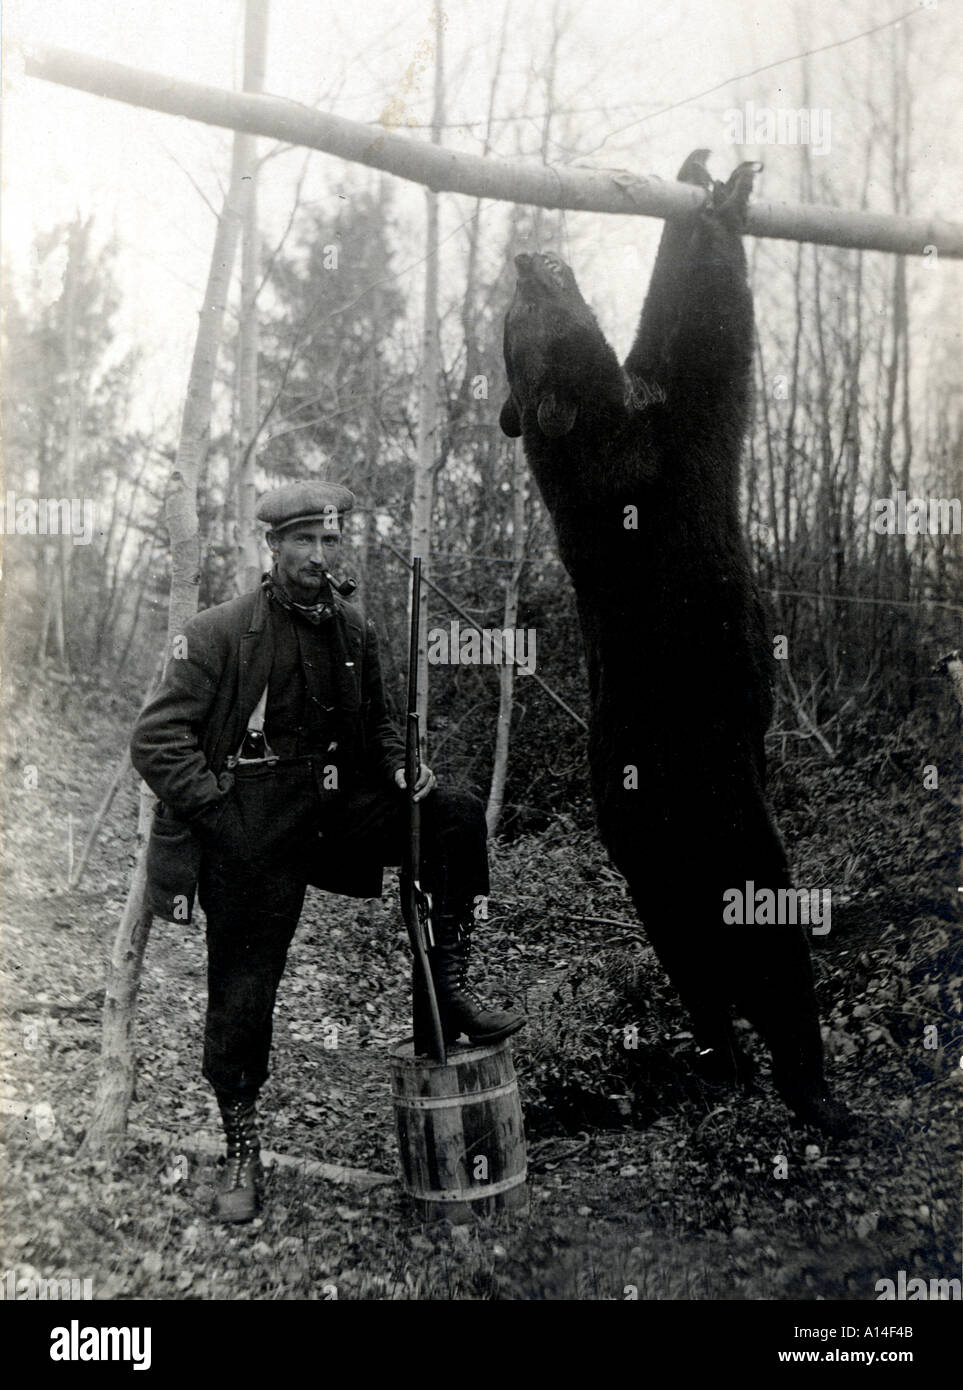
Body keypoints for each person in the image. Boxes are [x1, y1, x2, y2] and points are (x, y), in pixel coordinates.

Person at [130, 481, 524, 1222]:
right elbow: (155, 739)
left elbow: (376, 730)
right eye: (303, 543)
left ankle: (450, 989)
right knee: (244, 990)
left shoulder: (352, 630)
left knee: (452, 816)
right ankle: (241, 1152)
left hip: (336, 811)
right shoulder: (220, 631)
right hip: (251, 821)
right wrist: (217, 812)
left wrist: (403, 765)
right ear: (271, 548)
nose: (318, 557)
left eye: (328, 543)